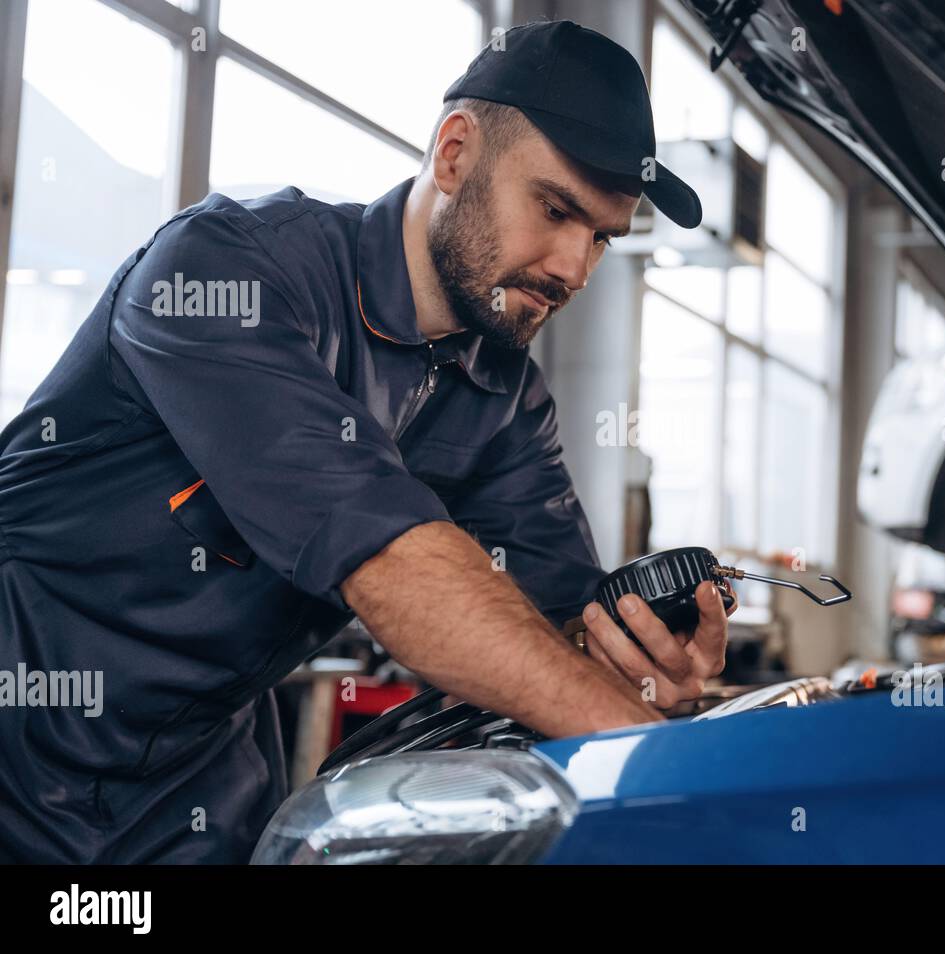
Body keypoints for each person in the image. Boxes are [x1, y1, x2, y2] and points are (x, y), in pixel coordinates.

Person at [0, 19, 733, 863]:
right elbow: (387, 556)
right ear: (454, 152)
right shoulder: (226, 273)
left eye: (603, 236)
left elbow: (558, 630)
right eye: (556, 209)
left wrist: (642, 671)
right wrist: (667, 770)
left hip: (197, 789)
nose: (574, 268)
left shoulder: (503, 396)